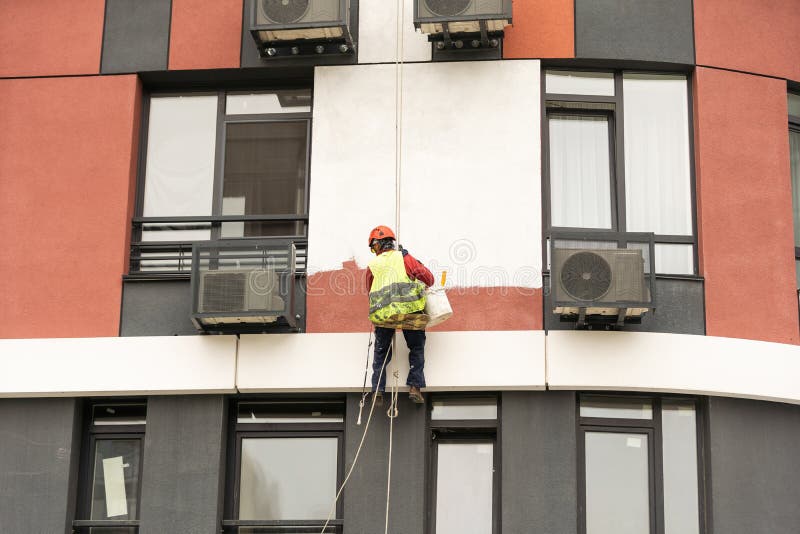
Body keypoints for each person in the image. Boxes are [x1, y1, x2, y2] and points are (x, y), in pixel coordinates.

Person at [366, 225, 434, 404]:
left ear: (377, 245)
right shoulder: (405, 258)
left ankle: (377, 390)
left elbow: (369, 292)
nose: (374, 251)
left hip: (384, 315)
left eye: (373, 248)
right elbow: (429, 279)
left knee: (381, 352)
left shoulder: (372, 265)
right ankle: (415, 387)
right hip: (410, 310)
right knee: (416, 347)